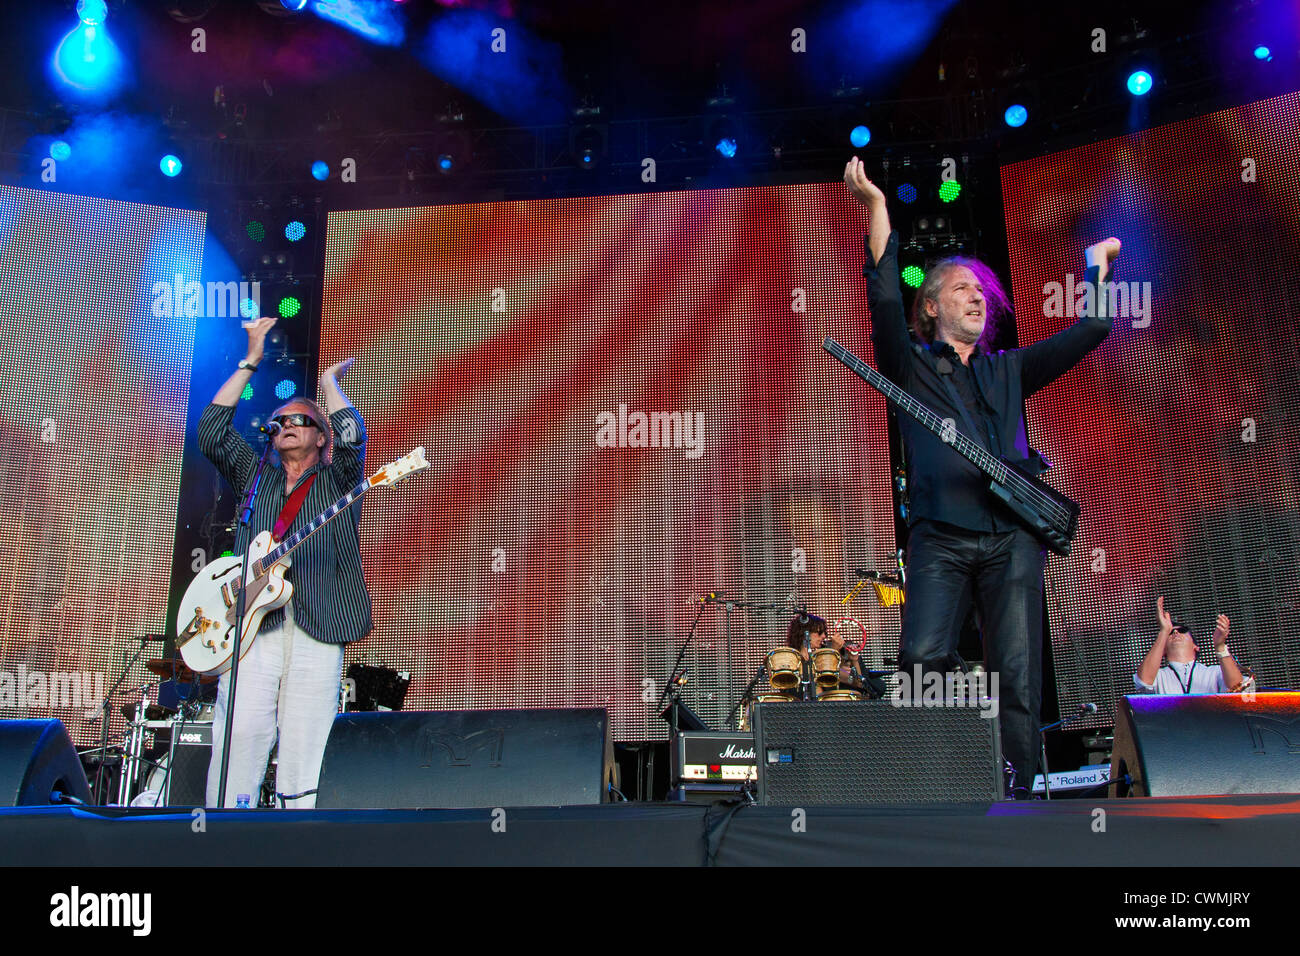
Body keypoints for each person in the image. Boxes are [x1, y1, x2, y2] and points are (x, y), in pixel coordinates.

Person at [843, 156, 1120, 797]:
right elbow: (884, 294)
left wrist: (1096, 270)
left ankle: (1020, 797)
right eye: (961, 289)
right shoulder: (908, 366)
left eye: (980, 292)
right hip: (939, 533)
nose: (976, 297)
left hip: (1012, 537)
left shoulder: (1008, 370)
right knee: (920, 661)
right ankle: (945, 780)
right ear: (932, 308)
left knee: (1017, 673)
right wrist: (876, 208)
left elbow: (1095, 326)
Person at [197, 316, 371, 808]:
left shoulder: (337, 480)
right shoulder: (257, 477)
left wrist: (329, 386)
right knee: (240, 737)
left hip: (318, 617)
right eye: (280, 421)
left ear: (320, 437)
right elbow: (211, 431)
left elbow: (353, 437)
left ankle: (300, 837)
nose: (288, 426)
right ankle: (225, 833)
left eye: (302, 420)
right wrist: (251, 357)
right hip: (254, 624)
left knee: (306, 740)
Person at [1133, 596, 1243, 694]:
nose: (1175, 632)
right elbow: (1144, 682)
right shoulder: (1158, 676)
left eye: (1182, 630)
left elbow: (1238, 687)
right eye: (1171, 632)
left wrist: (1220, 646)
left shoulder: (1214, 672)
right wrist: (1164, 631)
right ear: (1163, 650)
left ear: (1196, 646)